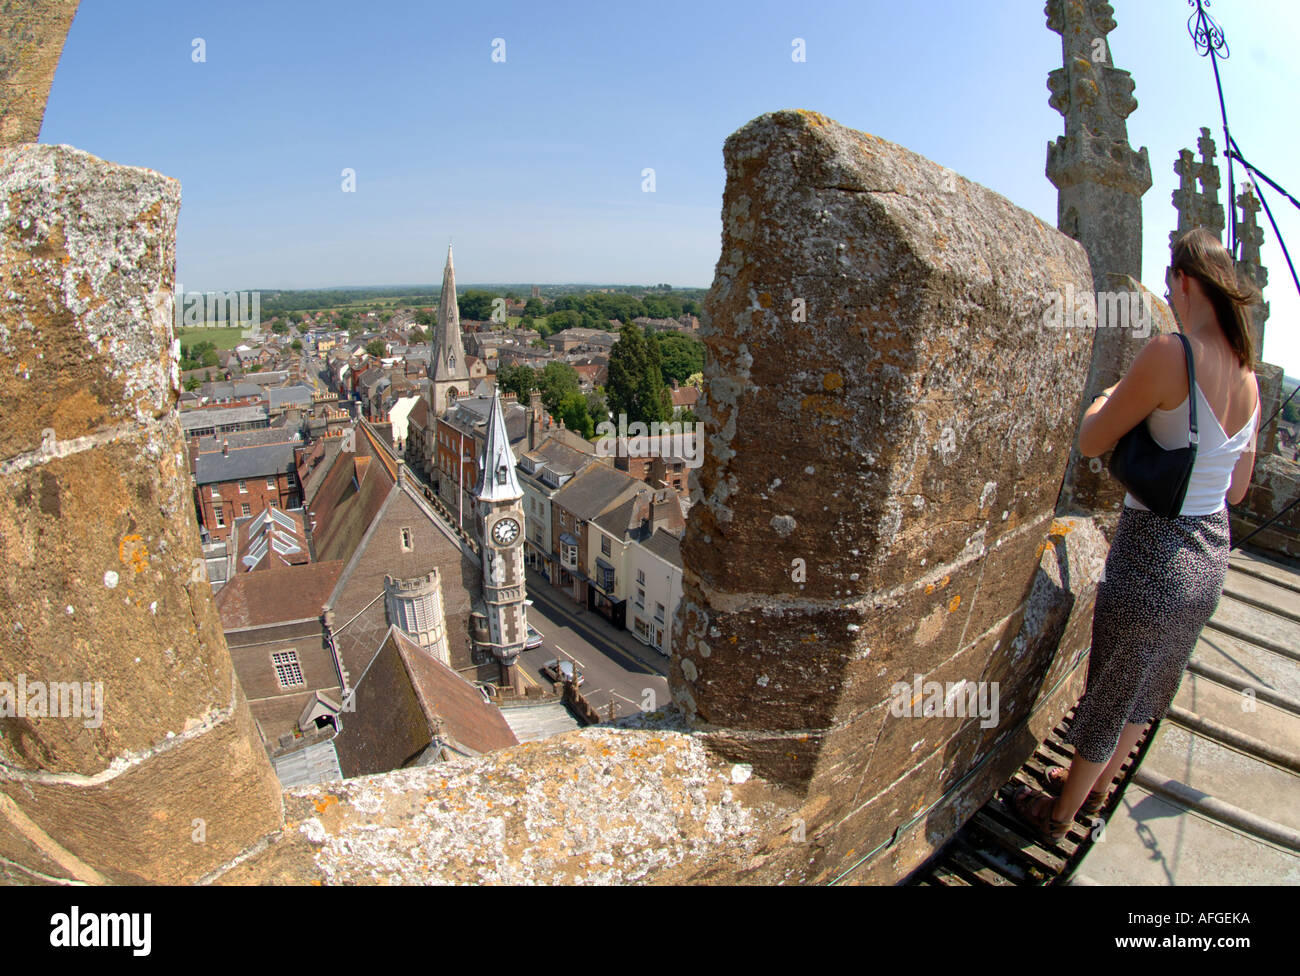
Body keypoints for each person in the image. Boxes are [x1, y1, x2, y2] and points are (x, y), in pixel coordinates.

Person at [1011, 226, 1261, 843]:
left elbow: (1094, 441)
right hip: (1210, 559)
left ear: (1181, 280)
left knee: (1109, 691)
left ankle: (1059, 816)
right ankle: (1093, 796)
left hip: (1156, 551)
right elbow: (1236, 492)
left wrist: (1101, 402)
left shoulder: (1171, 353)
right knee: (1146, 692)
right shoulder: (1249, 378)